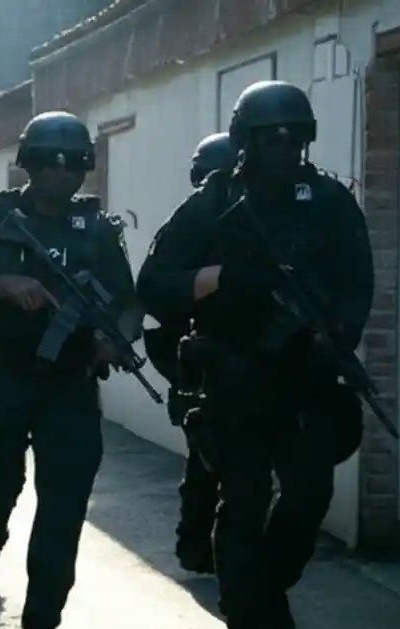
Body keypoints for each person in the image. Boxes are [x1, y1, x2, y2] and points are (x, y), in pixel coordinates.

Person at [137, 81, 374, 629]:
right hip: (235, 376)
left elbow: (357, 283)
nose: (283, 148)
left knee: (308, 499)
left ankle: (267, 594)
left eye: (294, 138)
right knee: (242, 504)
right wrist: (215, 279)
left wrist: (335, 336)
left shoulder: (328, 202)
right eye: (270, 138)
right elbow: (155, 285)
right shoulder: (213, 204)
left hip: (306, 377)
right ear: (246, 140)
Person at [0, 111, 139, 629]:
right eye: (49, 161)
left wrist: (115, 339)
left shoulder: (96, 228)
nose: (61, 173)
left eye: (73, 164)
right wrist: (1, 284)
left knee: (63, 510)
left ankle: (42, 625)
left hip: (70, 384)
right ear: (28, 164)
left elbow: (128, 302)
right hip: (3, 377)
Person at [142, 132, 238, 574]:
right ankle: (196, 544)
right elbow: (156, 288)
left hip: (236, 352)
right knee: (206, 452)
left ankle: (207, 544)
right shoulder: (194, 218)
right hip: (193, 354)